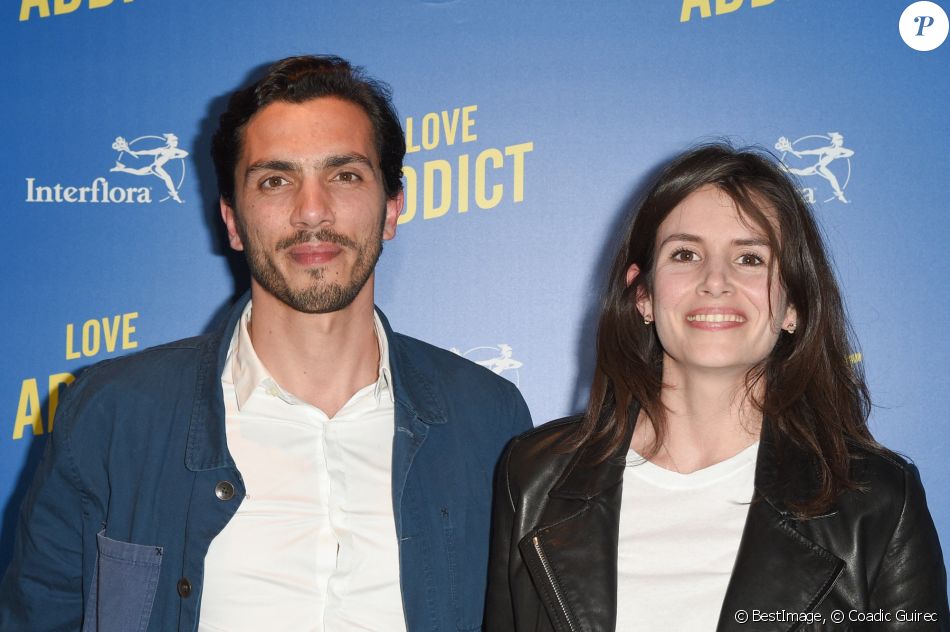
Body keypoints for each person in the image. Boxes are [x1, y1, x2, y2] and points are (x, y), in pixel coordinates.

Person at [0, 55, 532, 632]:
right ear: (232, 220)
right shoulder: (115, 413)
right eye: (276, 180)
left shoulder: (489, 420)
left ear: (392, 209)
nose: (312, 211)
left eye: (344, 175)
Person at [485, 144, 948, 631]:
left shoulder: (877, 501)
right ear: (643, 295)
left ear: (793, 305)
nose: (715, 281)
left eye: (750, 258)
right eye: (685, 254)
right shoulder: (535, 476)